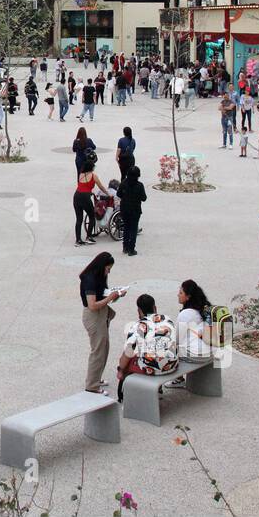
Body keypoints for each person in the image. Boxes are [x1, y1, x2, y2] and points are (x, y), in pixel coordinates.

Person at [115, 294, 178, 401]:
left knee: (128, 360)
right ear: (155, 308)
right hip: (172, 364)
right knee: (157, 352)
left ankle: (127, 396)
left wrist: (121, 369)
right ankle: (158, 388)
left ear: (139, 311)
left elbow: (127, 352)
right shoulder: (167, 319)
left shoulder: (137, 326)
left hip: (152, 369)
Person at [79, 250, 124, 393]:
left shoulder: (98, 276)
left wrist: (116, 295)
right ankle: (92, 386)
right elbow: (92, 305)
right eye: (108, 269)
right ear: (102, 266)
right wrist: (110, 298)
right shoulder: (90, 279)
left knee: (104, 348)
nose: (108, 272)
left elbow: (102, 295)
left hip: (101, 315)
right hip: (94, 316)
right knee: (98, 351)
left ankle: (96, 379)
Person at [176, 280, 213, 361]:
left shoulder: (185, 314)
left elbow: (178, 339)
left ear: (188, 297)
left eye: (181, 293)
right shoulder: (205, 309)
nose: (178, 295)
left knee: (168, 349)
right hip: (211, 351)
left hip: (195, 354)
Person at [117, 166, 146, 256]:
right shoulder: (139, 185)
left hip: (124, 209)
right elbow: (144, 198)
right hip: (135, 209)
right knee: (133, 229)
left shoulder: (123, 183)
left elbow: (119, 194)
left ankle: (125, 247)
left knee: (126, 227)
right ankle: (131, 249)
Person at [73, 153, 100, 245]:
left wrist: (89, 192)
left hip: (76, 196)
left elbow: (83, 186)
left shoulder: (81, 174)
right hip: (85, 197)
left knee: (79, 219)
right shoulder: (93, 176)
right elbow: (101, 187)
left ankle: (78, 240)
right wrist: (108, 193)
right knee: (92, 216)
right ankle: (89, 236)